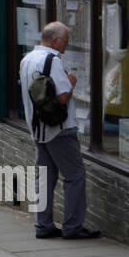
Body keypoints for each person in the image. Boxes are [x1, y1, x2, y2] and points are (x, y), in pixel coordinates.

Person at [19, 22, 100, 239]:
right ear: (54, 40)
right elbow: (63, 96)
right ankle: (72, 227)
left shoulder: (27, 59)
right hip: (59, 129)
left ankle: (43, 225)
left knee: (44, 177)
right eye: (65, 40)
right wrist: (71, 82)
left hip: (37, 128)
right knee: (75, 176)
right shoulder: (52, 60)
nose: (67, 44)